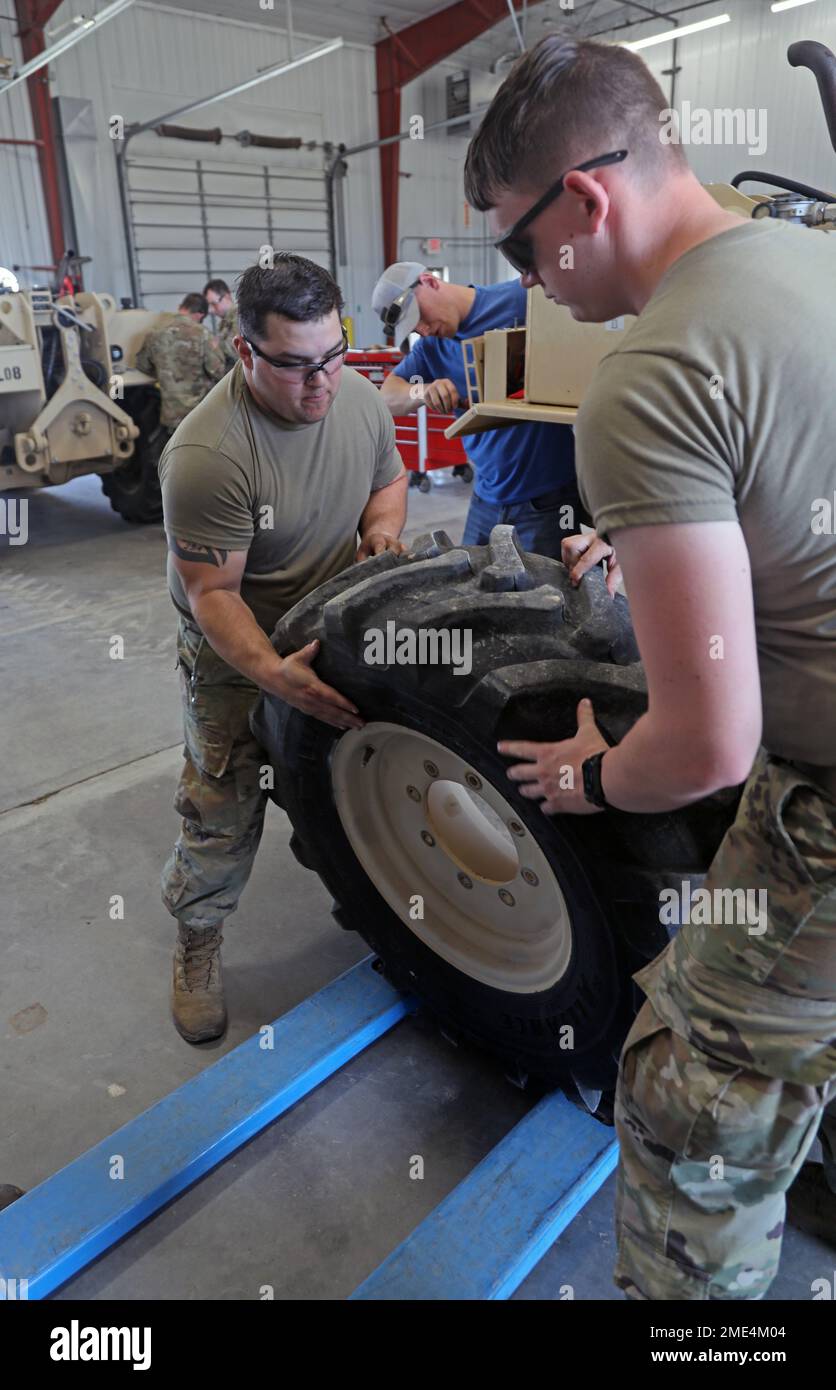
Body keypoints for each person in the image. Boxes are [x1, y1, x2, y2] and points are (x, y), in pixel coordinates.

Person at [464, 34, 836, 1297]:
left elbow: (705, 747)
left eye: (518, 249)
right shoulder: (808, 261)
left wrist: (591, 777)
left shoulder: (649, 377)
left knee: (691, 1112)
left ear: (586, 199)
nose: (521, 281)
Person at [159, 255, 407, 1044]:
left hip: (331, 625)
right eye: (296, 366)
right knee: (222, 808)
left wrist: (380, 535)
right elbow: (213, 596)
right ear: (244, 352)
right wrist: (272, 675)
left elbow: (388, 478)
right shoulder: (209, 455)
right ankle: (198, 938)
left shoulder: (359, 399)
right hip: (240, 652)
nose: (322, 383)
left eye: (333, 355)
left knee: (353, 785)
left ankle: (379, 908)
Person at [373, 263, 584, 557]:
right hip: (485, 498)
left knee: (553, 593)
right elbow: (385, 397)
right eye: (413, 328)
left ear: (429, 282)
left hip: (547, 500)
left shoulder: (527, 298)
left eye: (420, 317)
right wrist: (422, 391)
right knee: (475, 591)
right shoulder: (431, 347)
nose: (423, 329)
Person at [134, 293, 226, 433]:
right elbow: (218, 371)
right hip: (199, 415)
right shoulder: (202, 333)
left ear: (181, 307)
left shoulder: (155, 332)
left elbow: (142, 365)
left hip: (171, 418)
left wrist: (164, 371)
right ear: (200, 314)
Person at [203, 278, 239, 367]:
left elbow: (239, 350)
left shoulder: (240, 317)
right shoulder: (225, 322)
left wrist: (216, 345)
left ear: (227, 296)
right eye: (209, 306)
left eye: (214, 304)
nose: (210, 310)